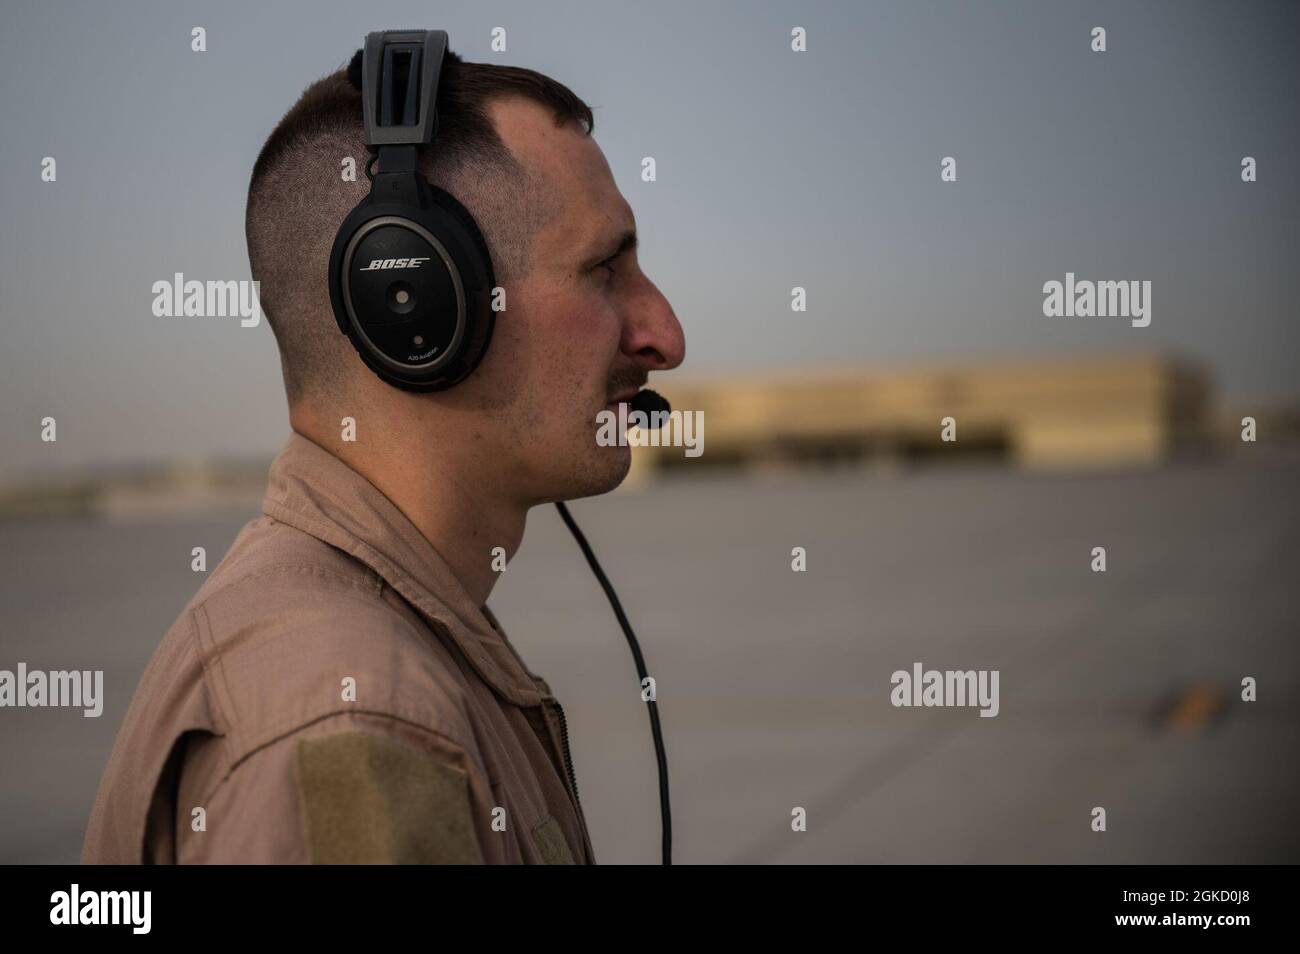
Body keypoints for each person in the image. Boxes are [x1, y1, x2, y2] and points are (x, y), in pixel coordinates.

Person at [81, 45, 684, 864]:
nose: (664, 337)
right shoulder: (360, 723)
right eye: (604, 270)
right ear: (416, 307)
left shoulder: (392, 645)